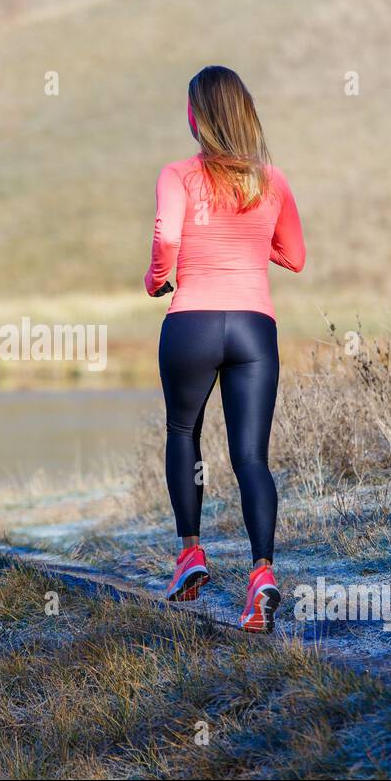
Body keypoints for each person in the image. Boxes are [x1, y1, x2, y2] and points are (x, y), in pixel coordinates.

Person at [145, 65, 305, 632]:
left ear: (199, 117)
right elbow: (295, 256)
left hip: (192, 319)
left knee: (184, 434)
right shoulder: (272, 180)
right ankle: (262, 574)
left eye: (190, 108)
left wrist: (155, 277)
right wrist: (252, 241)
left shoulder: (177, 174)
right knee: (251, 458)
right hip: (254, 327)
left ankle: (191, 555)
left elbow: (167, 238)